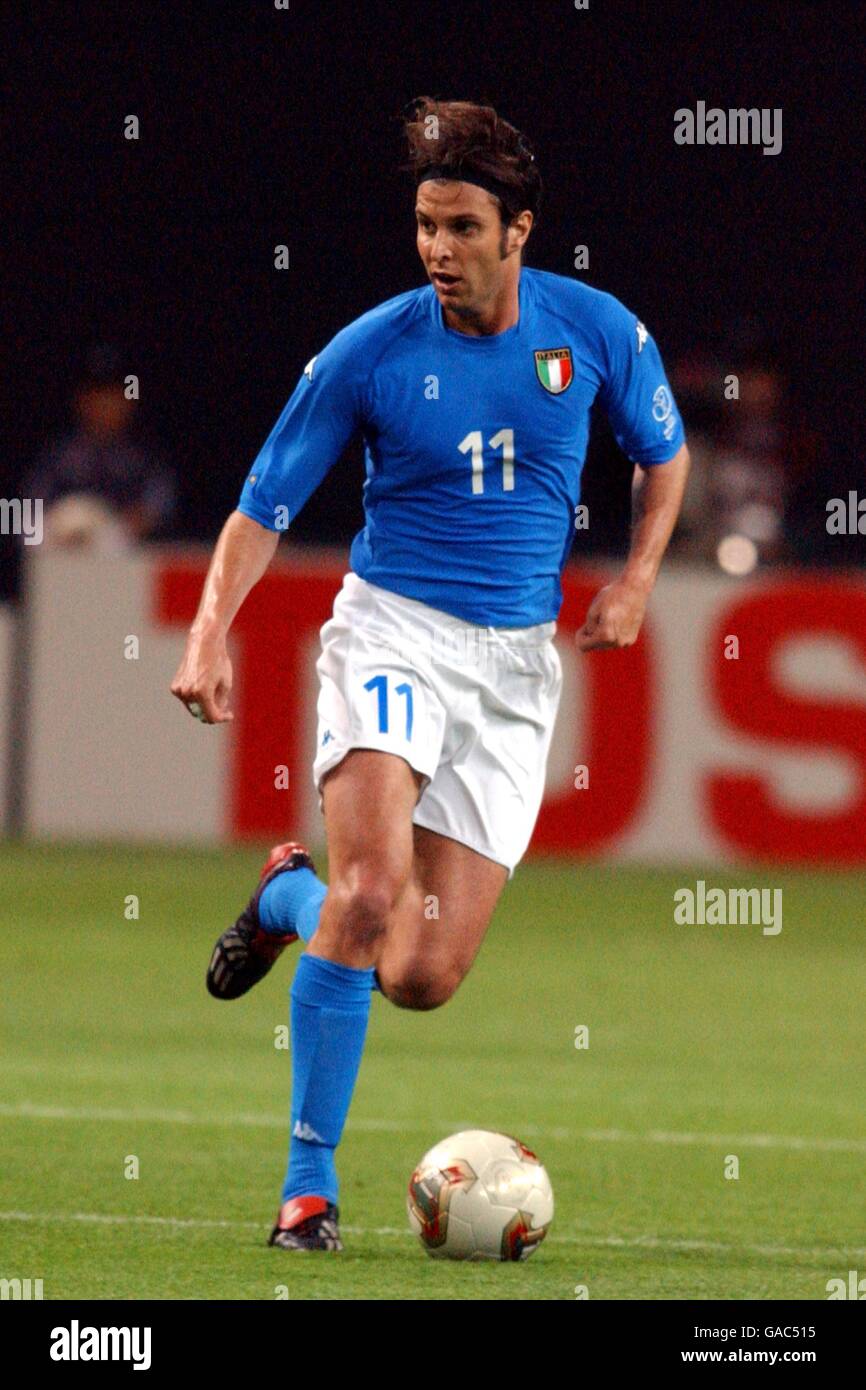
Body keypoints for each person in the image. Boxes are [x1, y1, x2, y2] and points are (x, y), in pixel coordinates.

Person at [170, 96, 690, 1252]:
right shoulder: (371, 350)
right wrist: (207, 633)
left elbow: (663, 456)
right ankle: (307, 1189)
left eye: (461, 227)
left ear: (519, 231)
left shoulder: (595, 331)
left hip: (511, 670)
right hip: (392, 635)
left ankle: (284, 897)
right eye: (424, 225)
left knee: (417, 973)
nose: (438, 250)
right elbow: (261, 505)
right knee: (369, 892)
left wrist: (635, 580)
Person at [24, 344, 176, 549]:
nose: (105, 404)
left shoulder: (145, 459)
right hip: (63, 553)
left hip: (125, 556)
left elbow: (160, 506)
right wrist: (56, 528)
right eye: (97, 395)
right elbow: (29, 510)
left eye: (114, 396)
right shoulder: (57, 458)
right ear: (81, 401)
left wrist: (119, 528)